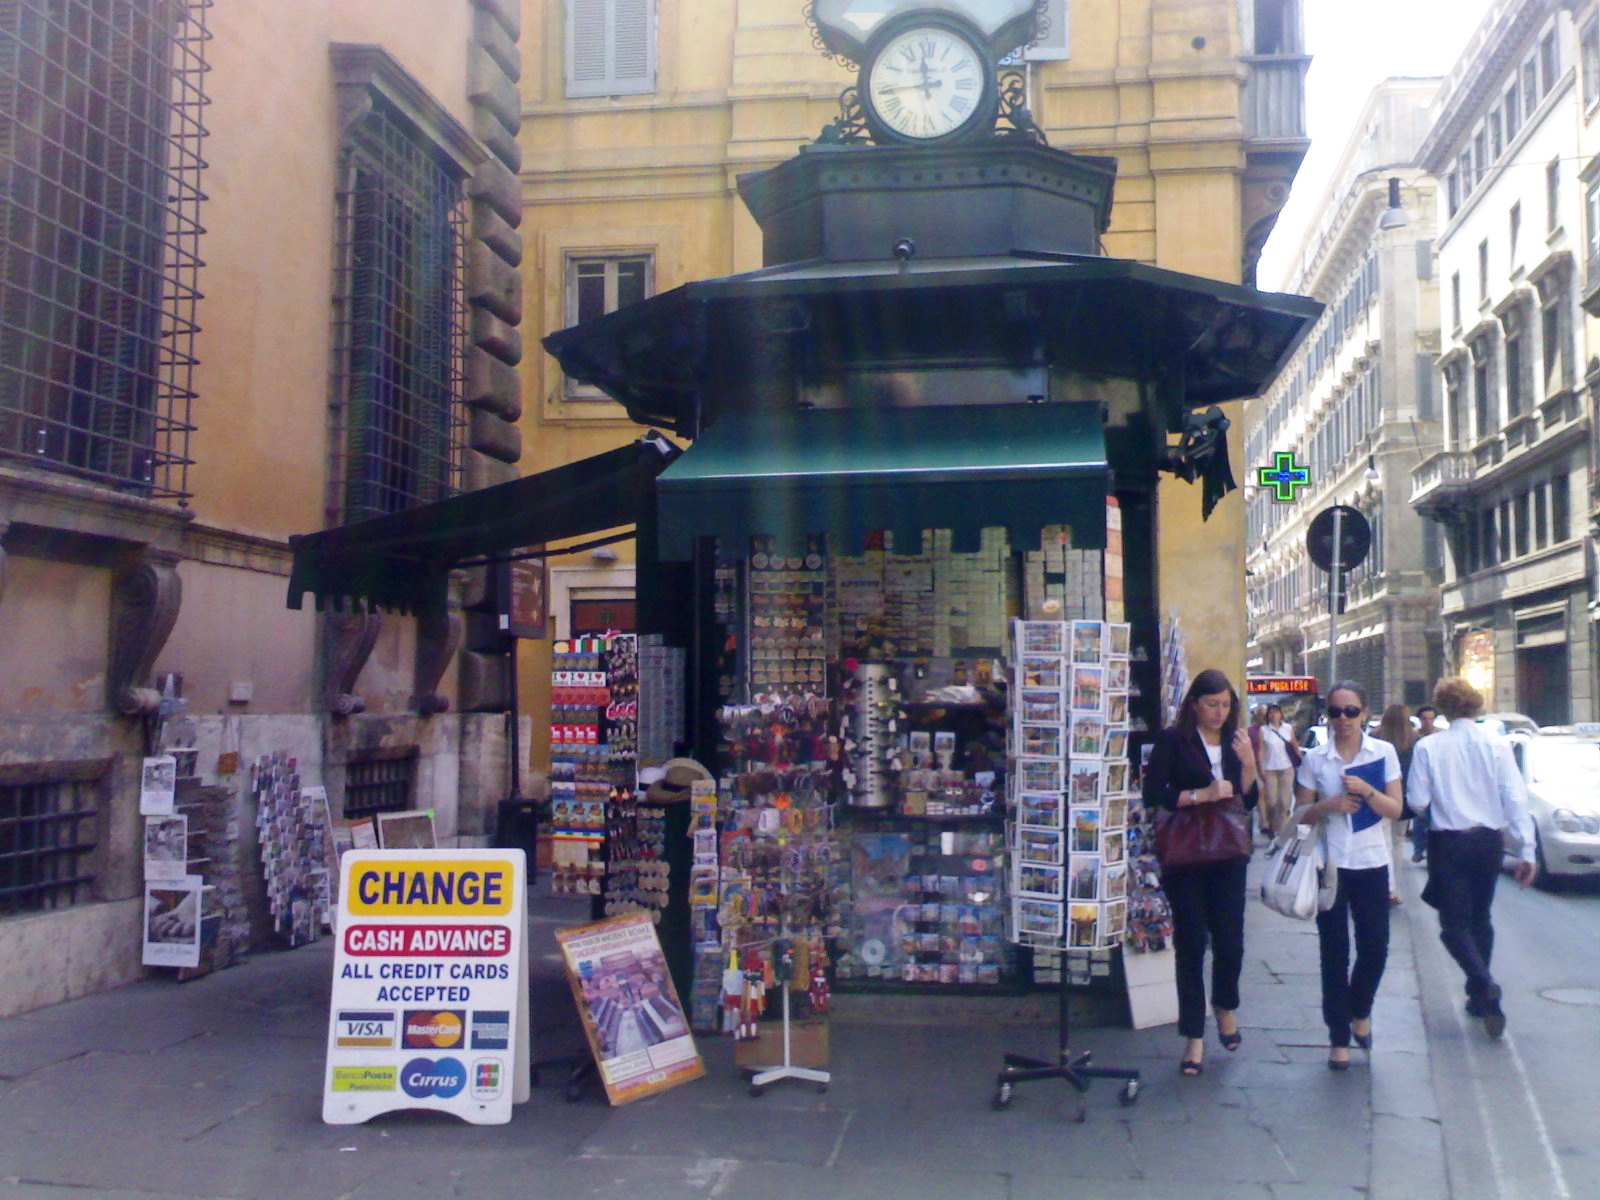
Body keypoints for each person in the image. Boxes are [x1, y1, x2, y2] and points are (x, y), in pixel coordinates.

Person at [1142, 668, 1259, 1077]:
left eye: (1226, 705)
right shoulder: (1174, 740)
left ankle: (1224, 1006)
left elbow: (1250, 800)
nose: (1220, 713)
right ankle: (1194, 1035)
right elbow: (1154, 793)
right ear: (1194, 704)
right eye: (1212, 704)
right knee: (1192, 942)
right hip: (1187, 855)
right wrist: (1200, 795)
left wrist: (1247, 766)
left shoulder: (1237, 740)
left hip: (1228, 853)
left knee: (1230, 941)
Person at [1406, 677, 1536, 1038]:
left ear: (1442, 708)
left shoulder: (1429, 747)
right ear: (1475, 706)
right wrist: (1527, 850)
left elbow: (1417, 801)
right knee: (1481, 916)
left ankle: (1483, 982)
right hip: (1488, 843)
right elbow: (1515, 797)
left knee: (1453, 926)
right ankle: (1479, 997)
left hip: (1450, 843)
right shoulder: (1495, 745)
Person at [1292, 682, 1404, 1069]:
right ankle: (1338, 1038)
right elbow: (1299, 816)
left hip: (1372, 863)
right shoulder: (1315, 759)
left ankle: (1360, 1011)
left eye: (1350, 711)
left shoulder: (1383, 753)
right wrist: (1329, 805)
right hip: (1330, 867)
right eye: (1335, 712)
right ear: (1327, 715)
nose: (1343, 720)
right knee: (1334, 954)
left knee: (1375, 950)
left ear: (1364, 713)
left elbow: (1395, 809)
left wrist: (1368, 792)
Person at [1376, 703, 1417, 905]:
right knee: (1397, 842)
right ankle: (1392, 889)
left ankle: (1384, 885)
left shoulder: (1375, 737)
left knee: (1382, 841)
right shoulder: (1413, 739)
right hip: (1403, 798)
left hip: (1378, 797)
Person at [1256, 703, 1300, 841]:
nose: (1274, 715)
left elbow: (1294, 745)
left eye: (1276, 712)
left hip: (1286, 768)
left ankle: (1282, 832)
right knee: (1272, 801)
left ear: (1281, 714)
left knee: (1284, 801)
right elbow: (1261, 750)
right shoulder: (1264, 730)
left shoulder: (1288, 728)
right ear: (1268, 716)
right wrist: (1261, 768)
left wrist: (1300, 760)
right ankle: (1271, 824)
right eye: (1271, 713)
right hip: (1270, 769)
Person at [1408, 704, 1438, 862]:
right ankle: (1418, 850)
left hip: (1437, 782)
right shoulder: (1414, 737)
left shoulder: (1441, 736)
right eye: (1425, 719)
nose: (1428, 722)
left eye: (1431, 719)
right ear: (1420, 719)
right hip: (1420, 780)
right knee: (1420, 817)